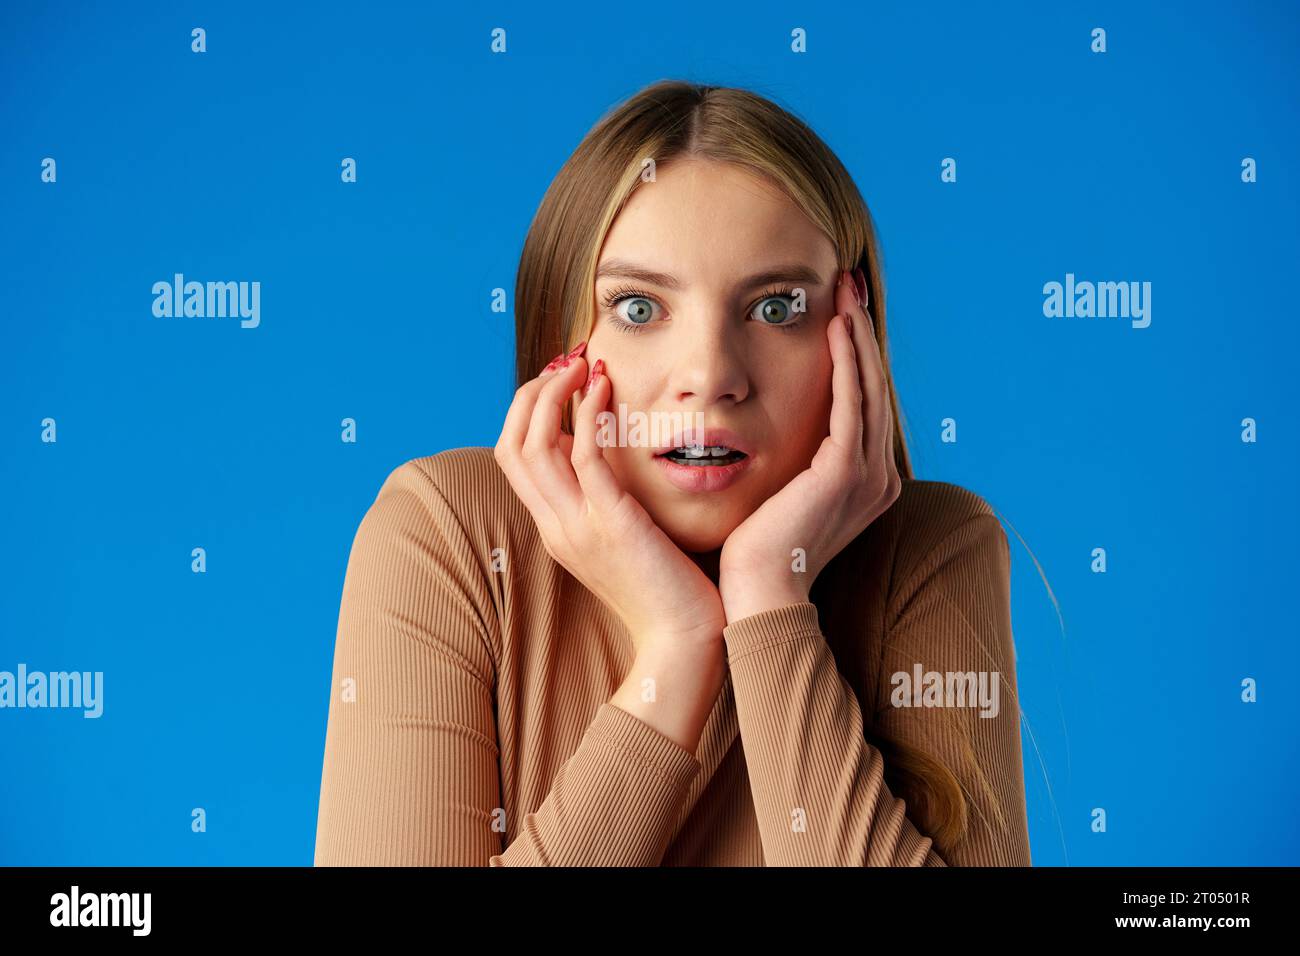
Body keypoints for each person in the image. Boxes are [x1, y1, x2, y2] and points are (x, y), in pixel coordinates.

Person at [313, 80, 1031, 866]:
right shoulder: (448, 532)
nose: (710, 374)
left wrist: (769, 598)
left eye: (776, 308)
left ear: (852, 338)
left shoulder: (932, 549)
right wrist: (676, 649)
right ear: (562, 342)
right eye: (639, 308)